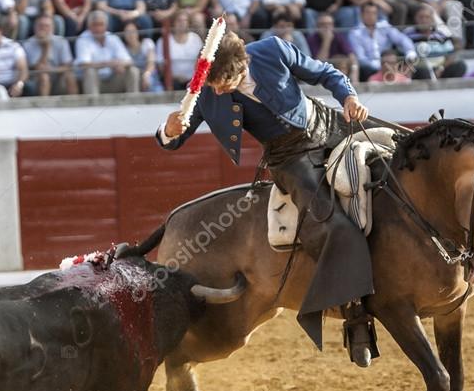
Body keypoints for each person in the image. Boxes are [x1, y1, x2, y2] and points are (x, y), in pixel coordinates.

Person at [155, 32, 378, 365]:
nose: (217, 91)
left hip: (327, 125)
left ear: (243, 64)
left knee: (404, 156)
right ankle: (357, 318)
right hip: (289, 158)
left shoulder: (272, 50)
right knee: (327, 223)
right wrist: (169, 131)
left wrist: (348, 97)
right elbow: (174, 138)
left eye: (224, 83)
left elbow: (326, 73)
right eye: (213, 85)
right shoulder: (205, 89)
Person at [75, 10, 140, 94]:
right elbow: (83, 64)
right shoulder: (83, 39)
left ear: (106, 26)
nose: (98, 28)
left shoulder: (113, 38)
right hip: (94, 82)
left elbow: (129, 60)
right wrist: (107, 64)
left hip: (113, 79)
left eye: (101, 25)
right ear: (89, 27)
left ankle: (134, 101)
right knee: (90, 71)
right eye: (95, 25)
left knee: (132, 70)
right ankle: (93, 104)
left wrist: (120, 64)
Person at [348, 1, 415, 80]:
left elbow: (402, 39)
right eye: (368, 13)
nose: (371, 16)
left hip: (390, 63)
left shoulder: (384, 26)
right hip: (370, 68)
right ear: (361, 14)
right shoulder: (355, 33)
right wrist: (380, 66)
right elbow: (361, 58)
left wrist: (410, 52)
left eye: (374, 13)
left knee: (411, 65)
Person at [404, 4, 465, 78]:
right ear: (415, 18)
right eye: (421, 17)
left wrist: (441, 68)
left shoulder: (441, 34)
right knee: (423, 71)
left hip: (439, 67)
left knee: (460, 66)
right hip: (419, 68)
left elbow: (452, 50)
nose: (424, 20)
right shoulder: (407, 34)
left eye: (427, 17)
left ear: (432, 19)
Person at [23, 12, 77, 96]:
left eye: (46, 26)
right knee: (44, 76)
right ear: (35, 28)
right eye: (40, 26)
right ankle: (45, 105)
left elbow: (67, 65)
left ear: (53, 29)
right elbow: (38, 68)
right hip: (37, 79)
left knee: (69, 75)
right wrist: (46, 48)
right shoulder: (28, 44)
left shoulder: (61, 41)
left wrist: (52, 70)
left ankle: (75, 103)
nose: (43, 29)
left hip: (57, 76)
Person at [157, 8, 202, 88]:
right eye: (179, 21)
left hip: (193, 82)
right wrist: (174, 77)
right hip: (173, 82)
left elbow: (202, 61)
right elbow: (161, 67)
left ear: (188, 23)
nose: (182, 23)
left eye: (185, 20)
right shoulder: (163, 41)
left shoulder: (196, 39)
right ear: (173, 23)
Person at [307, 11, 357, 77]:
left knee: (342, 62)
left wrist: (354, 72)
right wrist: (326, 41)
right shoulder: (312, 39)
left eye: (329, 24)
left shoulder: (338, 36)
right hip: (323, 72)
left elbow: (351, 56)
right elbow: (319, 64)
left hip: (339, 67)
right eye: (323, 24)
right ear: (317, 26)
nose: (326, 27)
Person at [124, 20, 161, 91]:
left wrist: (146, 74)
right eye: (127, 32)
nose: (130, 34)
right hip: (135, 78)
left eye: (133, 31)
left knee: (150, 81)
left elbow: (151, 63)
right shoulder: (124, 49)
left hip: (149, 74)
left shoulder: (147, 43)